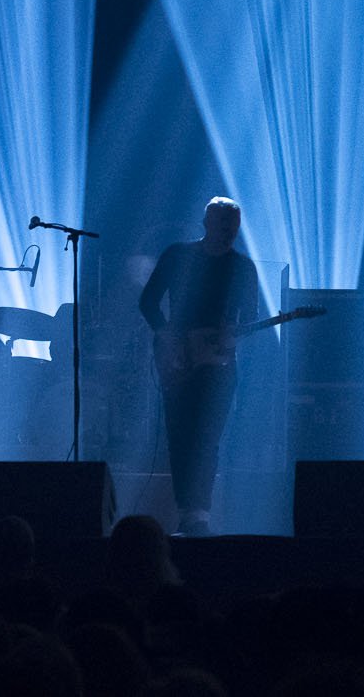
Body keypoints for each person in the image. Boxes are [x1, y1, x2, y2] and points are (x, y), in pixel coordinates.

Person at [138, 196, 261, 535]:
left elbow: (250, 318)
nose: (229, 234)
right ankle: (186, 511)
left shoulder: (242, 268)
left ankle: (199, 514)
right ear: (207, 222)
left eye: (233, 229)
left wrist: (232, 335)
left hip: (219, 362)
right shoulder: (178, 256)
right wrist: (168, 337)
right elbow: (148, 301)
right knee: (180, 437)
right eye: (223, 226)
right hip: (177, 358)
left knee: (207, 437)